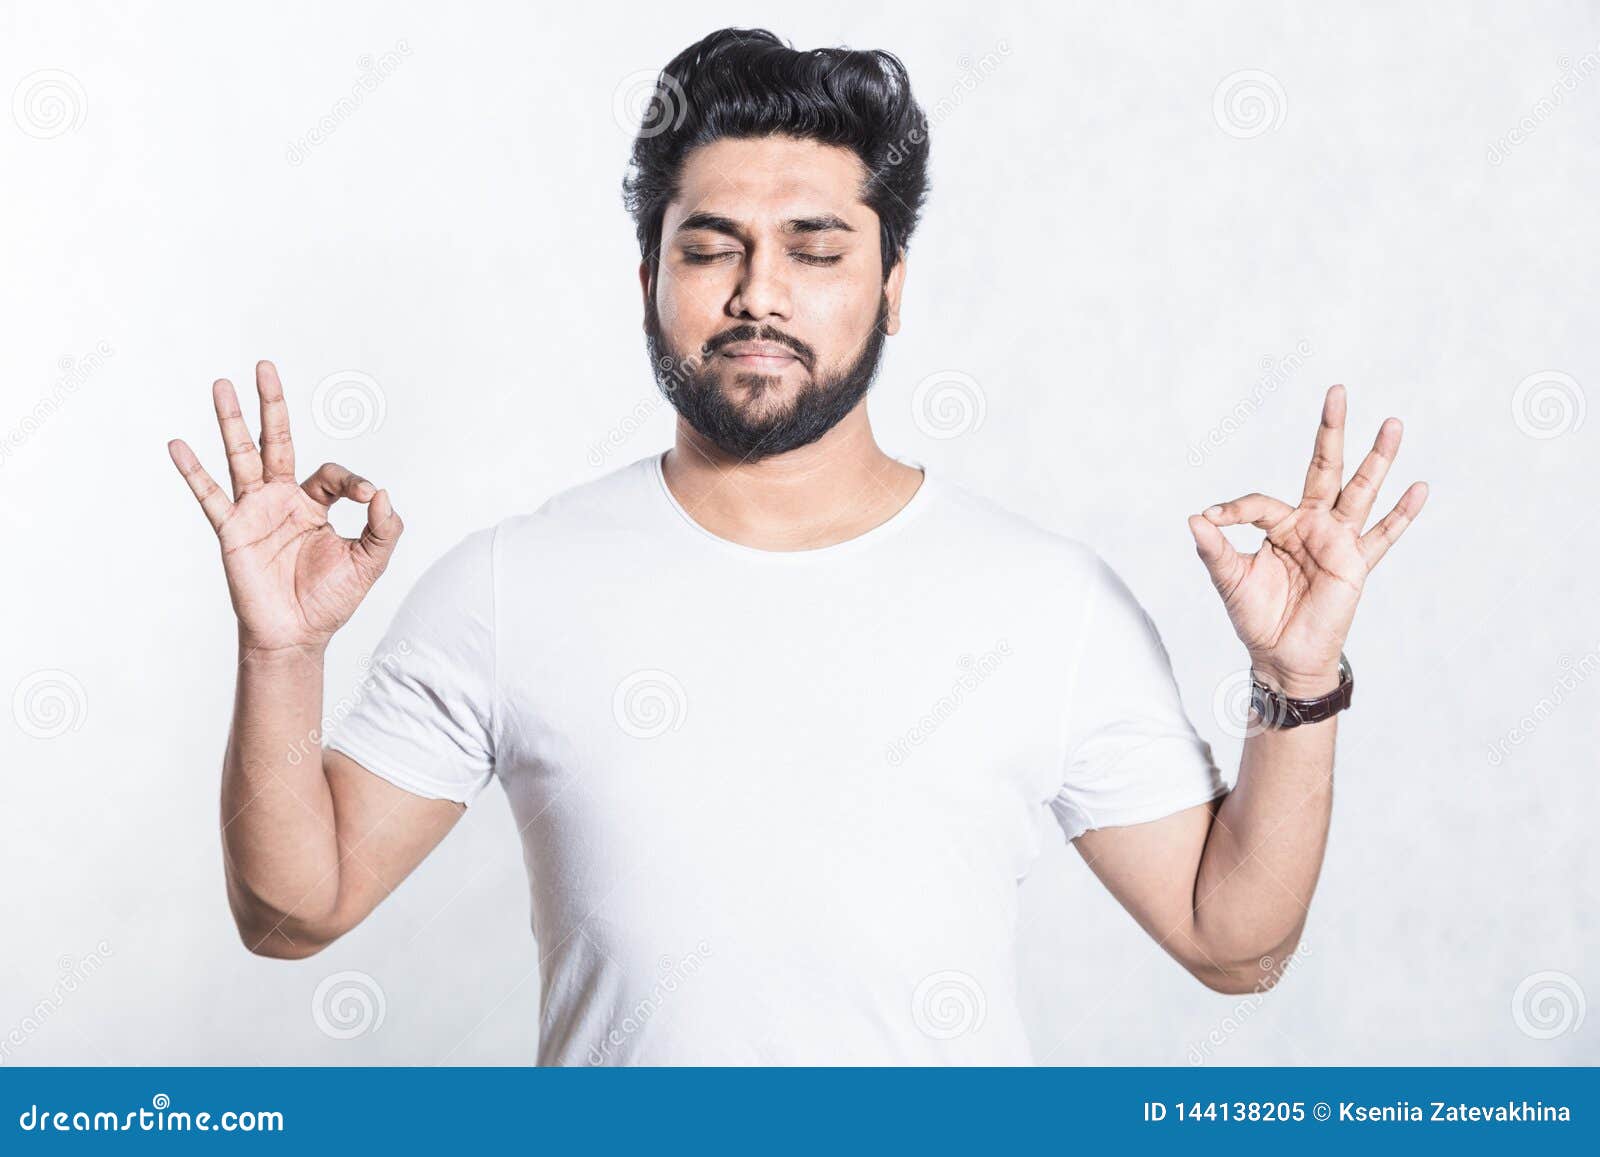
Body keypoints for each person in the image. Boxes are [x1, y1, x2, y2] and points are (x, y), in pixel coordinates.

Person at [165, 27, 1427, 1065]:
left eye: (815, 250)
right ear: (648, 277)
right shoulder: (510, 584)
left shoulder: (1045, 601)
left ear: (890, 286)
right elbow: (291, 913)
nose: (757, 292)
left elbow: (1234, 943)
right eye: (709, 247)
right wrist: (281, 650)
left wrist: (1298, 682)